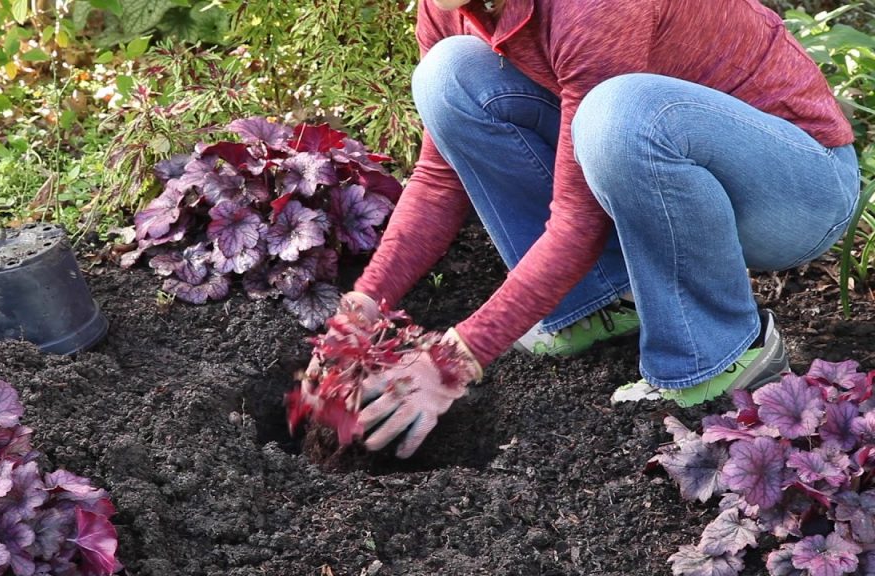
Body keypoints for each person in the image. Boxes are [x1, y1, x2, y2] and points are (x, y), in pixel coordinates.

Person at [322, 0, 861, 459]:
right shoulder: (449, 7)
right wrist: (363, 307)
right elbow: (439, 180)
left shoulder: (594, 8)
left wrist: (456, 357)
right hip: (678, 168)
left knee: (619, 116)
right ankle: (603, 303)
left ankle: (720, 357)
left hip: (794, 189)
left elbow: (579, 218)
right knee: (449, 76)